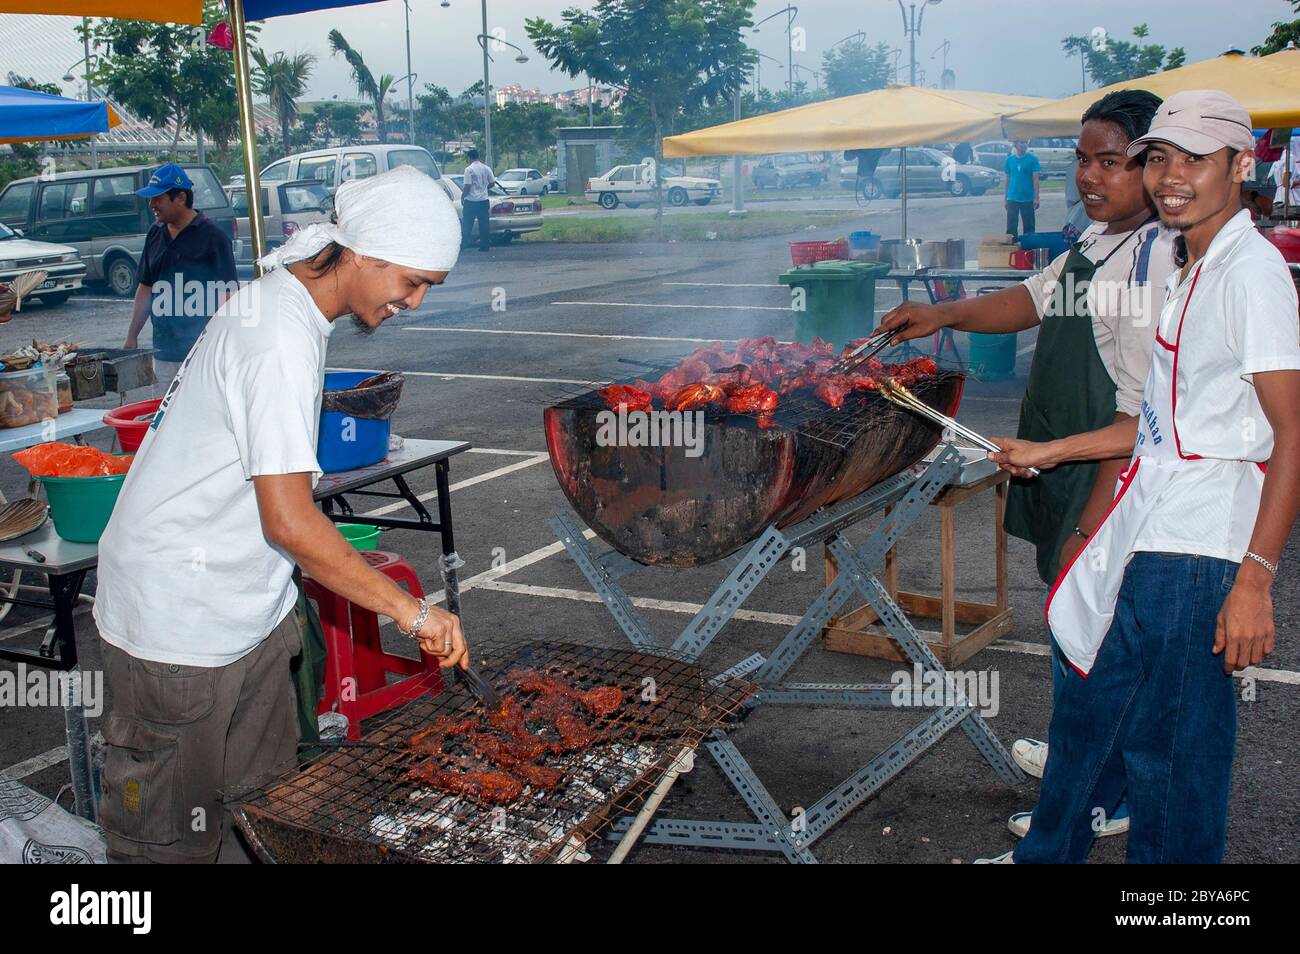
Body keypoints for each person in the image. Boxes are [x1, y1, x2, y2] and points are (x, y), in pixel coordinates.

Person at [93, 166, 469, 863]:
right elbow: (289, 522)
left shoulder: (294, 313)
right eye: (412, 282)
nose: (413, 301)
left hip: (248, 611)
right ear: (362, 254)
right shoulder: (276, 332)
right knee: (165, 846)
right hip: (175, 619)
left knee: (258, 813)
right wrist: (413, 612)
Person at [980, 90, 1300, 864]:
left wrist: (1255, 581)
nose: (1171, 176)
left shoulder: (1251, 275)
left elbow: (1292, 431)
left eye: (1196, 158)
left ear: (1240, 165)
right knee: (1094, 705)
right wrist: (1049, 452)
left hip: (1201, 543)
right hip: (1149, 516)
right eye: (1159, 157)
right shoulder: (1189, 261)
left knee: (1177, 746)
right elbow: (1149, 422)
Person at [878, 89, 1176, 846]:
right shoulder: (1097, 243)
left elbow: (1140, 423)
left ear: (1156, 166)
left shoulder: (1149, 268)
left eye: (1112, 161)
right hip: (1064, 459)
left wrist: (1090, 523)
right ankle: (1097, 765)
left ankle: (1095, 791)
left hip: (1104, 478)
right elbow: (1031, 300)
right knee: (1087, 639)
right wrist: (943, 313)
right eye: (1082, 158)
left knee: (1093, 644)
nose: (1088, 176)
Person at [123, 163, 238, 389]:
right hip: (163, 353)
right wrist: (131, 336)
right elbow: (145, 288)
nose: (152, 205)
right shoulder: (155, 234)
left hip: (202, 353)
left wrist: (223, 343)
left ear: (180, 198)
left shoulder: (213, 237)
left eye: (158, 198)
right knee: (162, 419)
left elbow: (228, 295)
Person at [460, 147, 495, 252]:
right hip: (483, 200)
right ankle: (485, 245)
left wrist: (463, 196)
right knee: (484, 224)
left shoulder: (469, 170)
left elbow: (467, 186)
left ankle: (465, 244)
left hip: (471, 201)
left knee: (467, 223)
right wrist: (484, 188)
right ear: (478, 157)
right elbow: (492, 183)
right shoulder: (486, 168)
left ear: (469, 158)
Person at [1004, 139, 1041, 236]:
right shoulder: (1009, 160)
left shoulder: (1033, 159)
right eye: (1021, 142)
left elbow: (1036, 179)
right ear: (1015, 144)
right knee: (1011, 227)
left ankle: (1028, 247)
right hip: (1012, 197)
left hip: (1027, 198)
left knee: (1029, 227)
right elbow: (1007, 180)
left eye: (1025, 143)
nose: (1024, 145)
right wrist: (1006, 198)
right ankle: (1012, 247)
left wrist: (1036, 198)